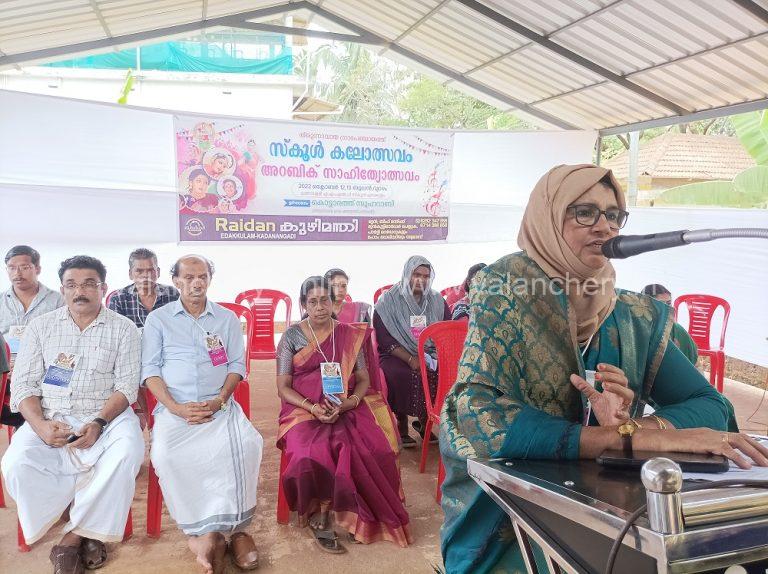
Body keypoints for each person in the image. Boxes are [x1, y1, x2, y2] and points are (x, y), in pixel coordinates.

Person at [439, 164, 768, 574]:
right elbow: (478, 415)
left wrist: (639, 428)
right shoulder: (504, 289)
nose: (604, 227)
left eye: (613, 215)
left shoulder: (633, 315)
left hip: (608, 512)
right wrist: (622, 439)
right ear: (547, 218)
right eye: (584, 212)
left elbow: (711, 406)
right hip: (508, 515)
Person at [1, 255, 143, 574]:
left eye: (89, 284)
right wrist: (40, 425)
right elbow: (23, 386)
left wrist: (99, 422)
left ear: (103, 288)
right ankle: (89, 527)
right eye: (72, 284)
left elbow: (126, 387)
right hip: (51, 415)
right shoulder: (41, 327)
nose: (80, 291)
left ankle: (72, 539)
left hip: (107, 417)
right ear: (62, 289)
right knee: (16, 463)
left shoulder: (124, 329)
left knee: (127, 452)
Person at [142, 255, 262, 574]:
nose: (196, 283)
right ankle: (203, 533)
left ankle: (238, 529)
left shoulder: (225, 318)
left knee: (247, 445)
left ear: (209, 279)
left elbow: (237, 365)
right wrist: (176, 408)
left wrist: (220, 400)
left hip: (219, 407)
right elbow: (150, 371)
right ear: (176, 281)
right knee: (166, 455)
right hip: (175, 410)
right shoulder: (159, 319)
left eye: (202, 277)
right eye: (189, 277)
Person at [276, 276, 411, 553]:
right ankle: (320, 510)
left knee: (373, 447)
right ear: (303, 304)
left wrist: (349, 403)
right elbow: (283, 387)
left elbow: (363, 379)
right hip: (304, 408)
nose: (319, 307)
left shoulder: (349, 334)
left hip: (346, 404)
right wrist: (313, 407)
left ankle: (357, 510)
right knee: (307, 452)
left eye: (324, 300)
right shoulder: (291, 336)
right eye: (312, 302)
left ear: (333, 301)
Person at [373, 256, 451, 448]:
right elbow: (384, 338)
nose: (421, 280)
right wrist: (410, 358)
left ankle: (426, 422)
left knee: (438, 372)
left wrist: (434, 355)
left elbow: (447, 329)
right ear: (407, 274)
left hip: (430, 352)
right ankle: (401, 423)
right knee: (399, 374)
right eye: (416, 274)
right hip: (397, 353)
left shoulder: (436, 300)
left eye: (426, 276)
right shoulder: (388, 301)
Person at [108, 248, 179, 330]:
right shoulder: (118, 299)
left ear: (158, 272)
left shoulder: (172, 294)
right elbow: (115, 332)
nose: (146, 275)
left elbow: (179, 327)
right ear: (130, 274)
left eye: (150, 270)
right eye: (139, 271)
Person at [641, 283, 698, 363]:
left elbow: (694, 362)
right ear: (647, 305)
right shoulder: (636, 329)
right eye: (661, 304)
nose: (667, 308)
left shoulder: (677, 330)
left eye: (668, 303)